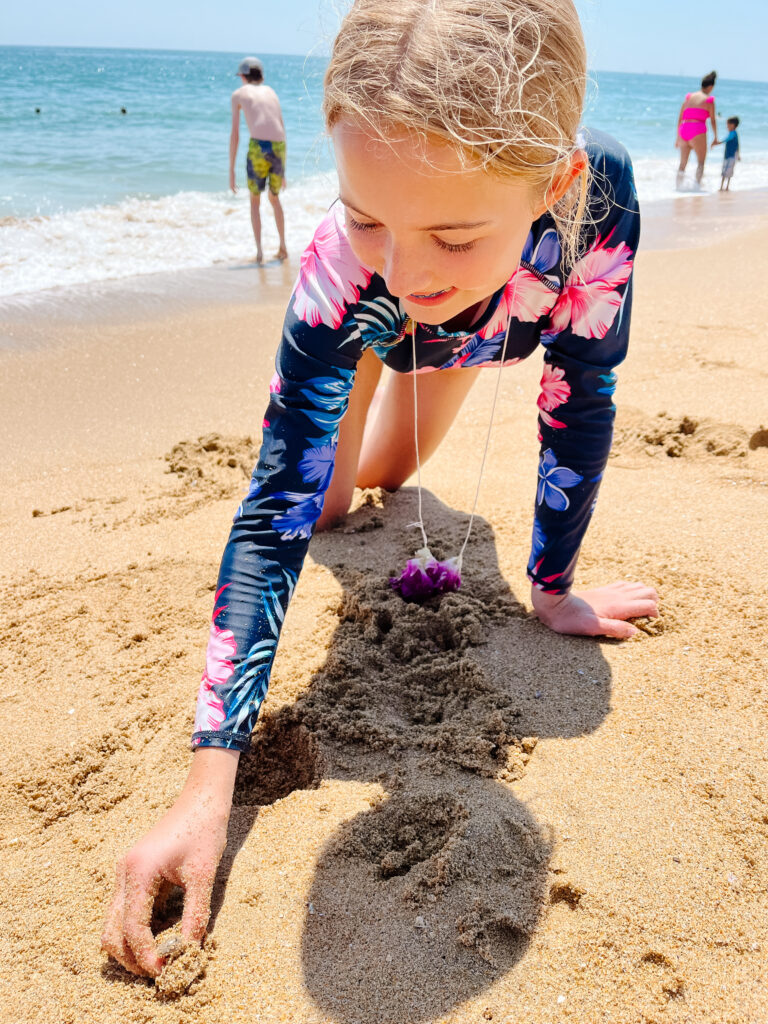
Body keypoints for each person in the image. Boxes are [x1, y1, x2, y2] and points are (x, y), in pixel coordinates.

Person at [102, 0, 659, 977]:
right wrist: (207, 789)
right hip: (361, 327)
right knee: (324, 503)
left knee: (389, 477)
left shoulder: (599, 193)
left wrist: (553, 583)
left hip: (489, 330)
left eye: (448, 232)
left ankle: (403, 361)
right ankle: (365, 352)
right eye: (364, 212)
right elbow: (274, 511)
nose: (403, 266)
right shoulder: (352, 269)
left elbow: (583, 391)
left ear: (556, 182)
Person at [229, 56, 288, 264]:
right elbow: (281, 128)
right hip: (279, 147)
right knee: (275, 198)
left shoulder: (239, 94)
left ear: (243, 77)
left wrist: (231, 170)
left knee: (255, 201)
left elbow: (235, 134)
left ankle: (260, 252)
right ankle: (283, 247)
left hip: (259, 147)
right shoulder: (271, 92)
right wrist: (284, 172)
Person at [675, 71, 720, 188]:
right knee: (701, 162)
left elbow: (680, 118)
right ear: (711, 87)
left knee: (682, 164)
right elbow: (713, 120)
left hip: (684, 129)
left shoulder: (689, 97)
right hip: (698, 129)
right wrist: (715, 137)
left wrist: (677, 138)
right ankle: (697, 187)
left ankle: (678, 187)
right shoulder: (709, 100)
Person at [712, 117, 741, 191]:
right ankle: (724, 187)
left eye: (728, 124)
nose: (727, 126)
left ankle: (724, 187)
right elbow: (738, 145)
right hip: (728, 155)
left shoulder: (733, 133)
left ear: (733, 125)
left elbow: (727, 140)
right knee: (726, 171)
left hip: (731, 155)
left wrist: (718, 143)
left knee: (727, 171)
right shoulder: (733, 133)